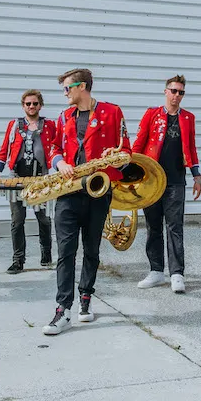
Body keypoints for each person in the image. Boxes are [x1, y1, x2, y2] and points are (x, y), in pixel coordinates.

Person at [42, 68, 131, 336]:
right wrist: (60, 163)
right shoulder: (63, 116)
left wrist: (116, 156)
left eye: (68, 88)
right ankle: (62, 309)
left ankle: (85, 298)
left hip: (97, 191)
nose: (65, 93)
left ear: (83, 87)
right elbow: (53, 148)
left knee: (91, 249)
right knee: (66, 252)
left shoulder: (113, 112)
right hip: (68, 192)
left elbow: (127, 150)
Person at [133, 75, 201, 293]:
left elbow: (191, 147)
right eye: (173, 91)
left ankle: (177, 273)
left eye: (181, 92)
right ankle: (155, 271)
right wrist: (131, 172)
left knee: (175, 227)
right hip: (151, 181)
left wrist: (196, 175)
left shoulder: (188, 118)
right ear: (165, 91)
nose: (176, 96)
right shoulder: (152, 115)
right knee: (153, 227)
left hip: (176, 180)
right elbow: (139, 143)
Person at [0, 89, 57, 274]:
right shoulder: (14, 125)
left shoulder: (49, 126)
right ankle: (18, 260)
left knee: (44, 219)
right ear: (23, 106)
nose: (31, 106)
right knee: (17, 221)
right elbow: (4, 149)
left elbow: (58, 147)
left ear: (40, 105)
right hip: (17, 178)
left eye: (35, 103)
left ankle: (46, 256)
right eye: (28, 103)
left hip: (41, 178)